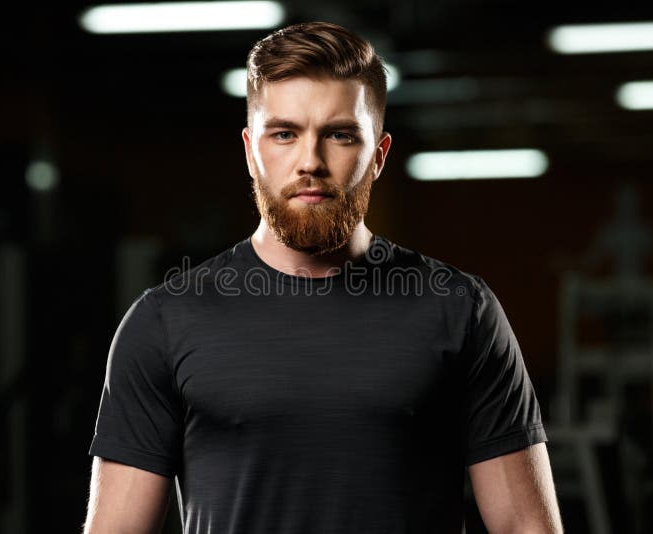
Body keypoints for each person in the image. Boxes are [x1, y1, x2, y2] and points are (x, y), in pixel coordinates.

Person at [84, 21, 563, 534]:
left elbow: (525, 527)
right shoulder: (165, 320)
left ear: (378, 156)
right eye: (285, 134)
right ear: (251, 150)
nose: (310, 162)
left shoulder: (459, 309)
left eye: (339, 134)